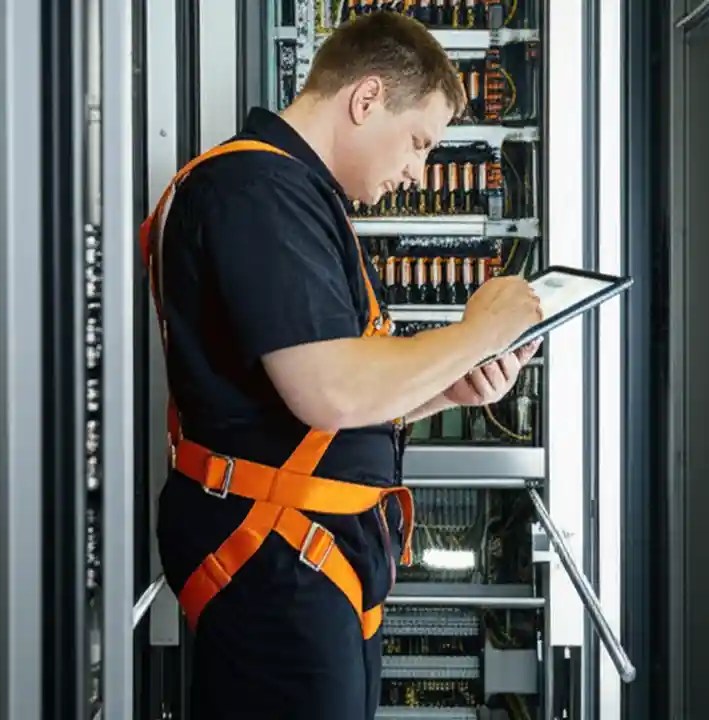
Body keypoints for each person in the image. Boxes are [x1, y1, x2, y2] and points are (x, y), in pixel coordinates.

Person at [140, 11, 542, 720]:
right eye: (418, 142)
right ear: (366, 98)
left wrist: (446, 389)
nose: (418, 172)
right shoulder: (256, 189)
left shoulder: (290, 194)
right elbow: (329, 391)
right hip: (278, 567)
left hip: (300, 565)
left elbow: (327, 395)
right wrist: (479, 330)